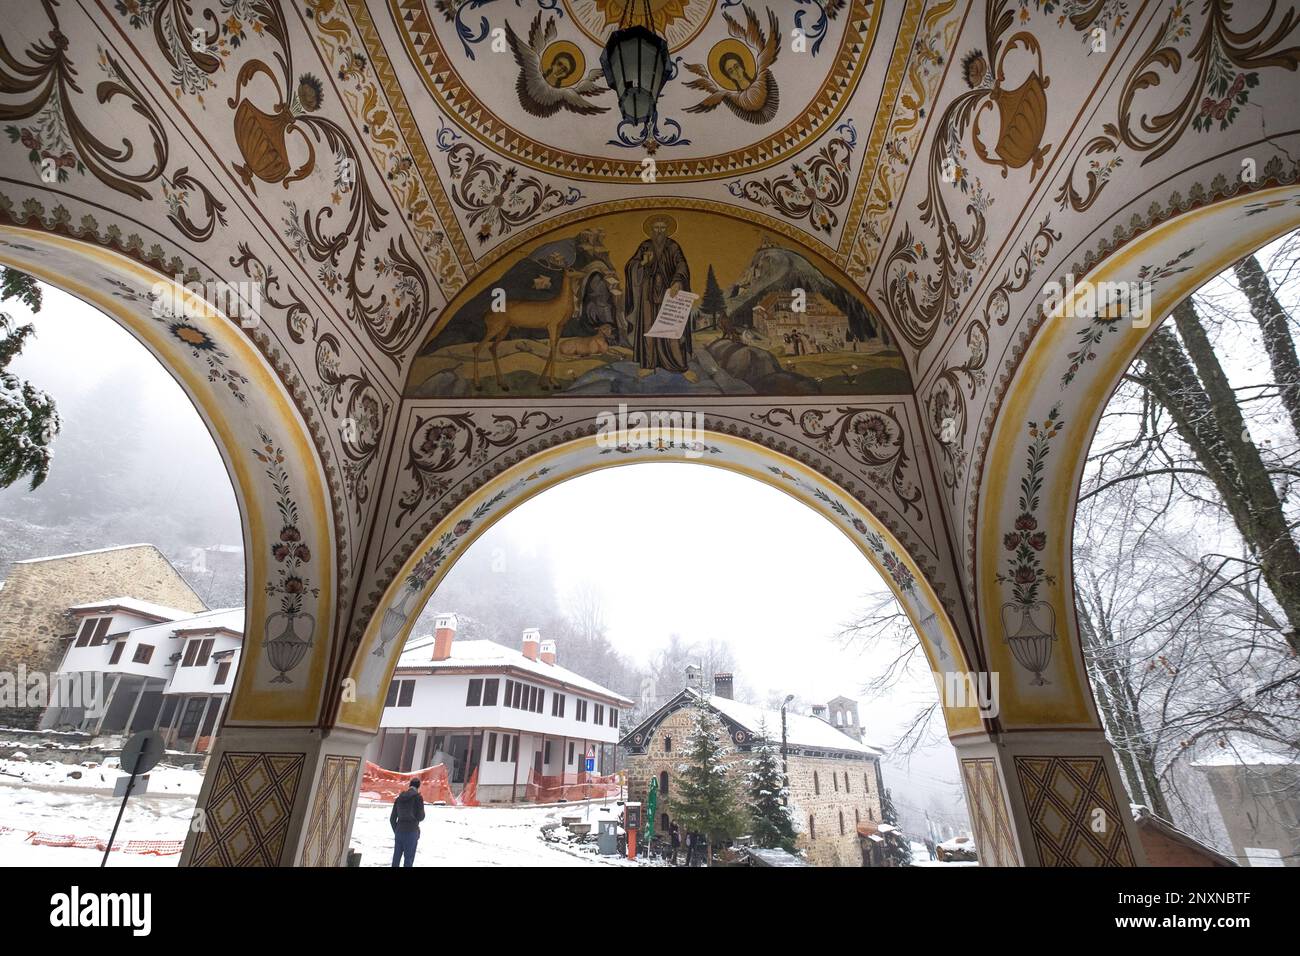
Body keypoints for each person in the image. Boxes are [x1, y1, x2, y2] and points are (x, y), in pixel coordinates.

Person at [390, 778, 425, 867]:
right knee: (408, 860)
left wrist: (397, 830)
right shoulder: (418, 798)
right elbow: (421, 817)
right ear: (418, 787)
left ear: (409, 785)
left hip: (399, 831)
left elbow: (392, 818)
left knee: (396, 859)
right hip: (412, 832)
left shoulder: (399, 798)